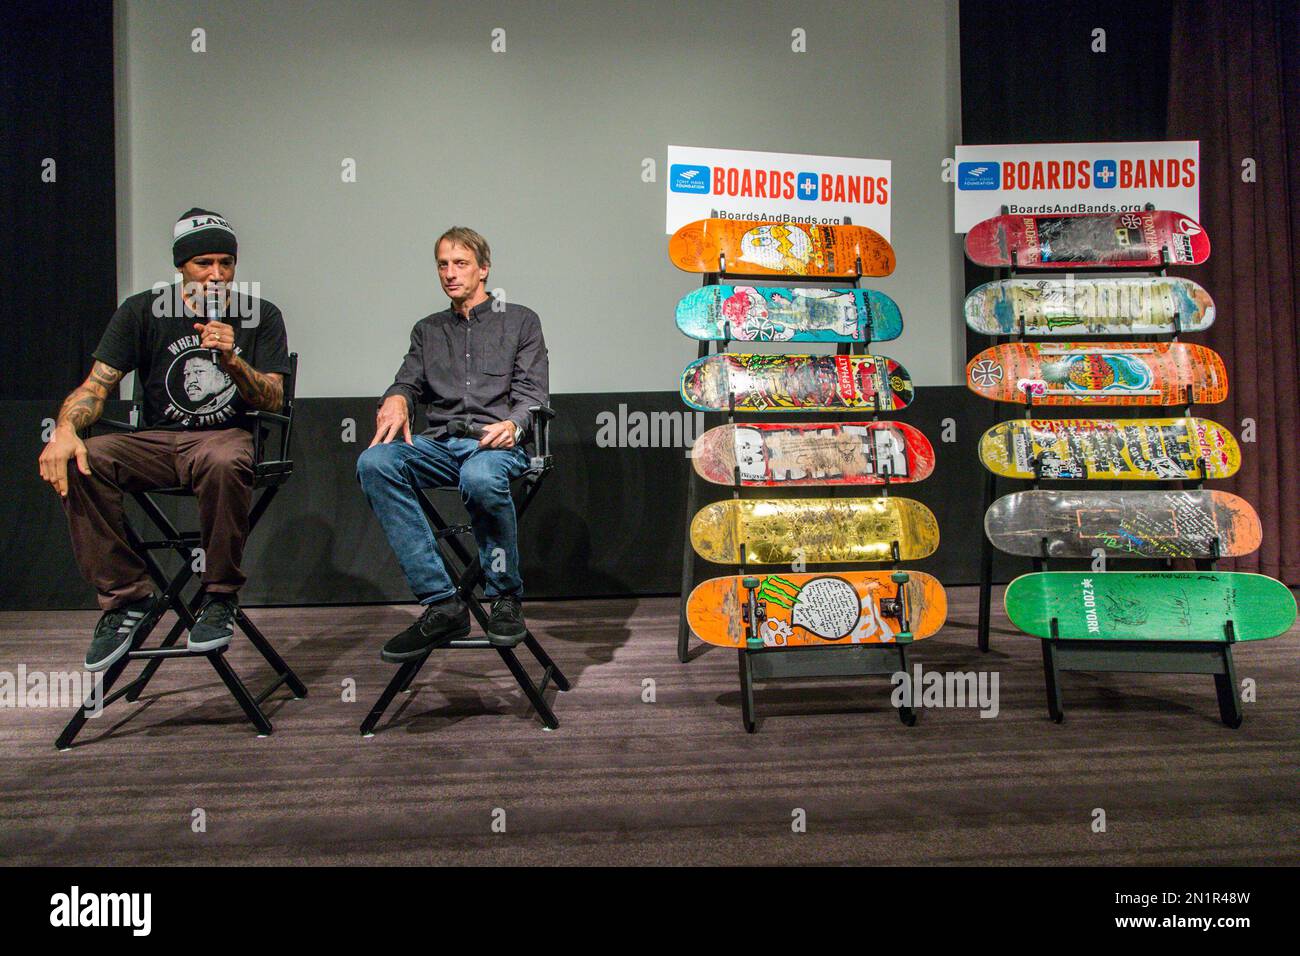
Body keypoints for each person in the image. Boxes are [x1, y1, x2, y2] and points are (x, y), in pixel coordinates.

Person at [38, 209, 291, 671]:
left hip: (222, 439)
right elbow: (95, 388)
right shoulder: (142, 311)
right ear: (181, 266)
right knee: (82, 459)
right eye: (203, 263)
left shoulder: (261, 315)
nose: (216, 274)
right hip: (155, 442)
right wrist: (66, 429)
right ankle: (126, 598)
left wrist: (233, 361)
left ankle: (219, 596)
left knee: (224, 459)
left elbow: (274, 399)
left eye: (226, 263)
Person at [357, 226, 548, 661]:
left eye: (460, 263)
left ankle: (504, 597)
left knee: (480, 476)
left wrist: (515, 425)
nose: (450, 273)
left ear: (484, 269)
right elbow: (407, 381)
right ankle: (442, 602)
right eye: (442, 264)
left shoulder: (520, 321)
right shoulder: (427, 330)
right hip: (441, 445)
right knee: (375, 462)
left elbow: (533, 395)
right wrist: (397, 397)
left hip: (495, 445)